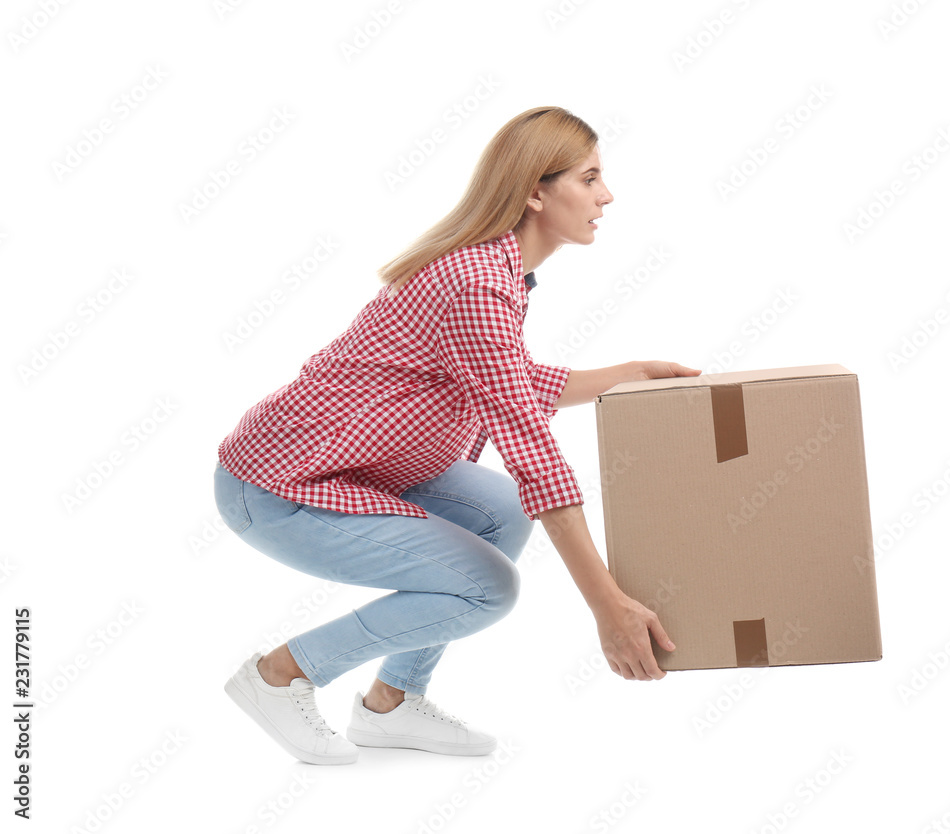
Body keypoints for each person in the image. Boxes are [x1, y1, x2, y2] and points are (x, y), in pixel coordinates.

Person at [214, 105, 701, 765]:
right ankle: (281, 675)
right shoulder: (476, 284)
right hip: (282, 485)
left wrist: (621, 376)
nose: (606, 195)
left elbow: (502, 377)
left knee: (497, 513)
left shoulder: (497, 271)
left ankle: (391, 704)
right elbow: (532, 452)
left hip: (359, 466)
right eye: (589, 178)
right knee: (486, 587)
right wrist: (607, 606)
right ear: (536, 190)